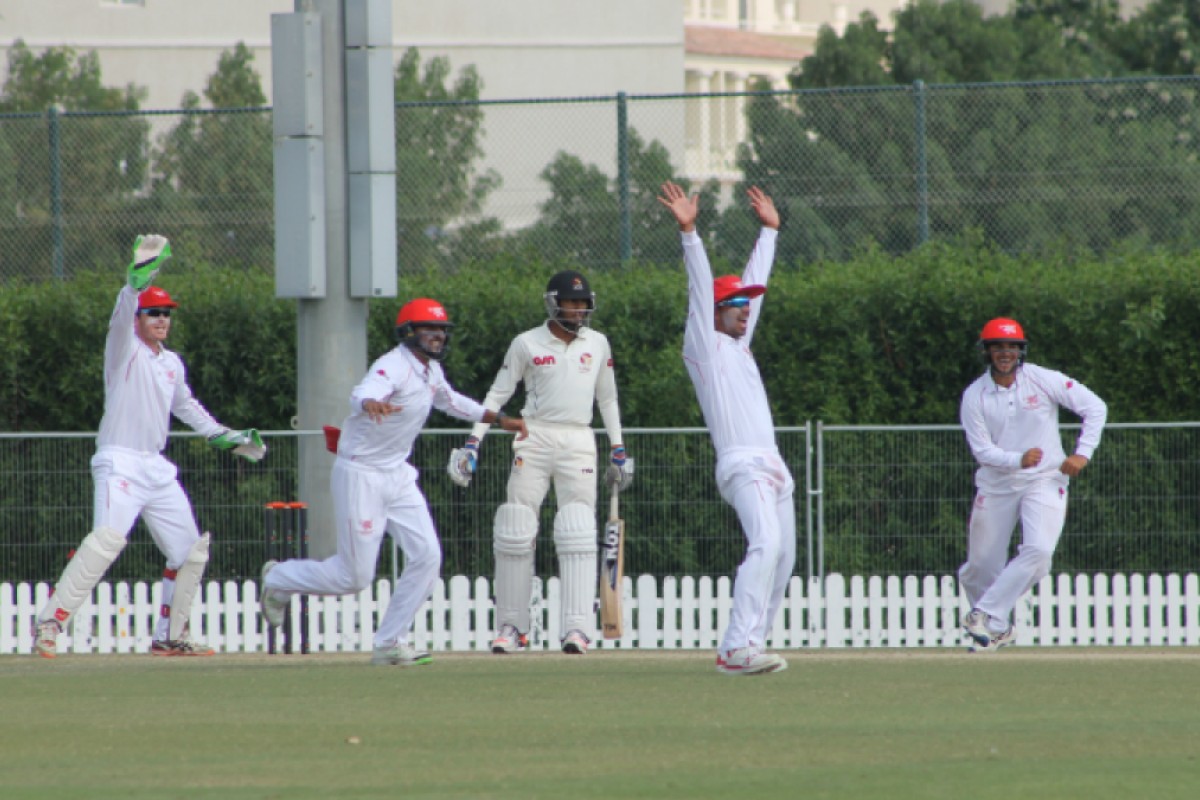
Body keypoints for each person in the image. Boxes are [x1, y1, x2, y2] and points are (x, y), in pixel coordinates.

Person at [33, 235, 267, 659]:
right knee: (106, 541)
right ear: (139, 318)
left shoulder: (170, 362)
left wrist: (223, 435)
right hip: (119, 461)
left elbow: (187, 405)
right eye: (153, 314)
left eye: (166, 314)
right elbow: (120, 321)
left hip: (155, 468)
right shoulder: (124, 352)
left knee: (190, 552)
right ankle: (50, 623)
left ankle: (171, 635)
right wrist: (133, 286)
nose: (161, 320)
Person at [260, 298, 527, 666]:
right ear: (409, 332)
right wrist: (371, 404)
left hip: (398, 474)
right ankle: (279, 577)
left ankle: (388, 643)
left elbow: (451, 401)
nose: (437, 336)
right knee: (353, 577)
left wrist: (498, 418)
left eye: (441, 330)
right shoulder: (393, 364)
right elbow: (362, 392)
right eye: (429, 329)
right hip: (361, 474)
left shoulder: (430, 371)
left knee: (428, 556)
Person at [447, 270, 633, 656]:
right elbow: (497, 394)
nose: (579, 310)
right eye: (572, 303)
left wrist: (619, 449)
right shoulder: (526, 343)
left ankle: (578, 629)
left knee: (578, 528)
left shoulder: (598, 343)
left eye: (584, 304)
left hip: (579, 438)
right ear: (554, 303)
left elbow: (608, 400)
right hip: (534, 435)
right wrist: (472, 443)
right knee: (516, 525)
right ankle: (513, 627)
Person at [657, 181, 794, 676]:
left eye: (746, 304)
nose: (746, 310)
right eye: (737, 304)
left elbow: (757, 282)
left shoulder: (738, 342)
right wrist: (689, 233)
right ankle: (735, 649)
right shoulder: (706, 346)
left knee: (783, 560)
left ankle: (752, 642)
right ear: (716, 313)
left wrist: (770, 233)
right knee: (766, 546)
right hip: (742, 464)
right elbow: (699, 288)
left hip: (774, 466)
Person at [958, 317, 1107, 652]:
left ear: (1020, 351)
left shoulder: (1041, 379)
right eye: (998, 347)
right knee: (980, 567)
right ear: (987, 352)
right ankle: (997, 629)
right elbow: (981, 450)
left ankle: (983, 616)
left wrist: (1082, 453)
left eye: (1011, 346)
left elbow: (1095, 407)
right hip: (996, 484)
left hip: (1045, 478)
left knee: (1039, 552)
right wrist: (1017, 459)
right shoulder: (974, 396)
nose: (1005, 353)